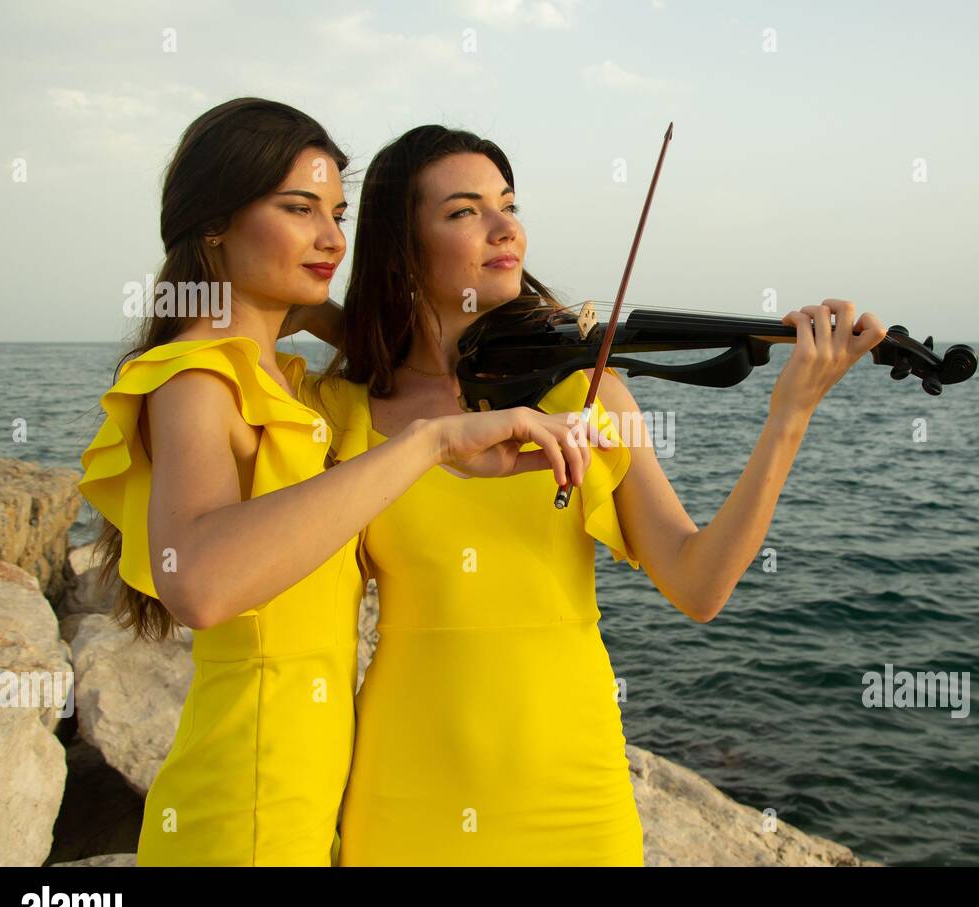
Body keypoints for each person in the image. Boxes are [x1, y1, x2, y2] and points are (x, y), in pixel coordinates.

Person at [291, 124, 888, 865]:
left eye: (509, 205)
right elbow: (244, 315)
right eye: (464, 212)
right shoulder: (341, 409)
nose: (507, 228)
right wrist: (331, 316)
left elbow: (699, 584)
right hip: (407, 790)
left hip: (574, 793)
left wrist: (789, 415)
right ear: (399, 246)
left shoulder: (585, 391)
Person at [77, 100, 598, 866]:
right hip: (244, 813)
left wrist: (375, 318)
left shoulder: (266, 374)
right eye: (298, 209)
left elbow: (359, 331)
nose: (331, 239)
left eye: (340, 214)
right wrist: (432, 441)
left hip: (298, 801)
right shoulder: (195, 377)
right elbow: (200, 583)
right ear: (213, 223)